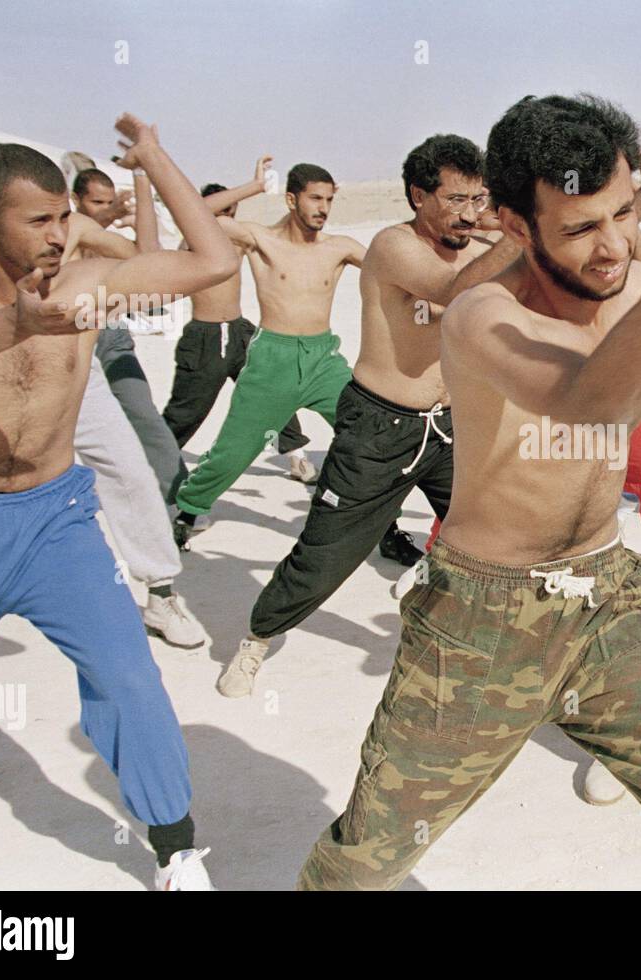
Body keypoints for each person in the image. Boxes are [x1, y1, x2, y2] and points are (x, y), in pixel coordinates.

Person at [296, 70, 641, 891]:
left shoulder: (639, 285)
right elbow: (588, 399)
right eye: (579, 229)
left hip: (607, 599)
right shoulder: (484, 316)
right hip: (483, 619)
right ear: (515, 224)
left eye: (625, 214)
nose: (612, 246)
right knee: (366, 863)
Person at [0, 117, 240, 888]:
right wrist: (11, 324)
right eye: (39, 220)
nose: (60, 235)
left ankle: (176, 852)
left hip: (55, 524)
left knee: (128, 678)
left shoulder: (87, 291)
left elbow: (212, 260)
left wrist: (155, 157)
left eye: (65, 216)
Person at [220, 135, 518, 697]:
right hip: (379, 429)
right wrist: (513, 239)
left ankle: (436, 588)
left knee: (502, 531)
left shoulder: (479, 250)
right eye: (455, 200)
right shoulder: (392, 246)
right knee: (325, 556)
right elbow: (454, 289)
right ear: (417, 195)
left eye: (478, 200)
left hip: (450, 426)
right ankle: (258, 639)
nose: (469, 213)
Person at [171, 162, 366, 545]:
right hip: (272, 359)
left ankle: (379, 522)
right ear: (292, 199)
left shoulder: (340, 247)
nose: (323, 208)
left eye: (329, 199)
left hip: (324, 358)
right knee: (235, 450)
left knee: (366, 429)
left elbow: (392, 265)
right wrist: (255, 186)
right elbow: (194, 212)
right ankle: (189, 509)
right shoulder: (259, 240)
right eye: (315, 198)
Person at [160, 160, 314, 486]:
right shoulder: (192, 239)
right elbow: (198, 211)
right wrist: (253, 184)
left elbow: (283, 237)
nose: (224, 218)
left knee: (274, 391)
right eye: (220, 210)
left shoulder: (239, 239)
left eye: (230, 210)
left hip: (240, 330)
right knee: (185, 413)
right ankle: (149, 464)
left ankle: (296, 457)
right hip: (206, 336)